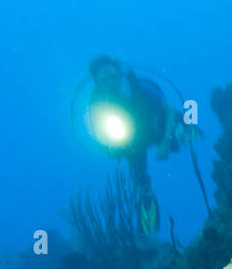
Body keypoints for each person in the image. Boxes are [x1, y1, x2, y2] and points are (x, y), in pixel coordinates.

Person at [82, 55, 191, 234]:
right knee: (140, 181)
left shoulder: (139, 86)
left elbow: (169, 109)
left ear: (119, 73)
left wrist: (165, 142)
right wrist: (108, 145)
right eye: (104, 78)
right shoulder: (98, 101)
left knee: (176, 131)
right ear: (97, 82)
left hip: (157, 126)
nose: (110, 81)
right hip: (132, 139)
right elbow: (96, 129)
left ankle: (185, 131)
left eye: (113, 75)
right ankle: (148, 225)